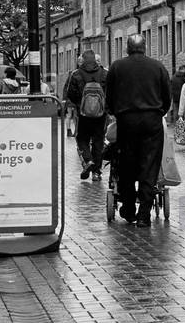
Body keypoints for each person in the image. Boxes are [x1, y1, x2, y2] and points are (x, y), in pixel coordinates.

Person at [105, 34, 172, 227]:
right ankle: (144, 215)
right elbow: (166, 97)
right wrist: (159, 111)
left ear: (127, 47)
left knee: (127, 165)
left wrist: (114, 113)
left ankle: (128, 209)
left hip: (126, 121)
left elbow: (109, 96)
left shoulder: (117, 67)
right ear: (145, 47)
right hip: (152, 120)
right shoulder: (158, 66)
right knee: (149, 166)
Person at [65, 49, 109, 181]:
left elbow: (70, 93)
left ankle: (88, 160)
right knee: (98, 141)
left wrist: (79, 104)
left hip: (83, 114)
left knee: (82, 138)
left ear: (83, 60)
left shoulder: (76, 74)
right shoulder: (105, 73)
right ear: (95, 60)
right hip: (101, 115)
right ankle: (96, 172)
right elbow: (111, 92)